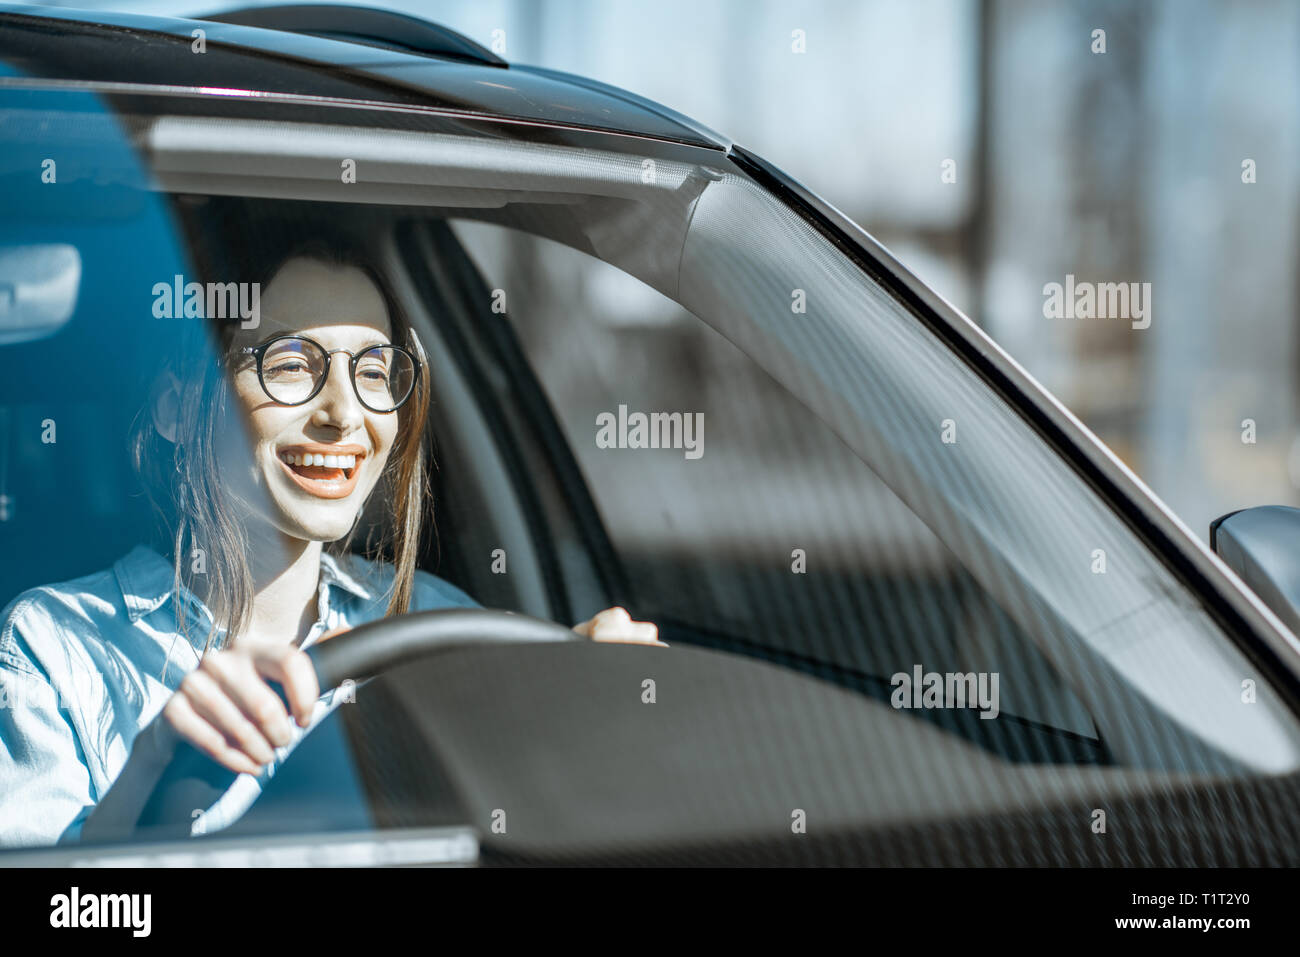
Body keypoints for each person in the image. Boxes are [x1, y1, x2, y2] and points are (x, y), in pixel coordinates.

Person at [0, 235, 660, 848]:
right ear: (176, 408)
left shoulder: (438, 623)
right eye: (290, 364)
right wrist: (151, 764)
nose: (343, 412)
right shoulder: (55, 650)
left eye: (374, 372)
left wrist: (593, 704)